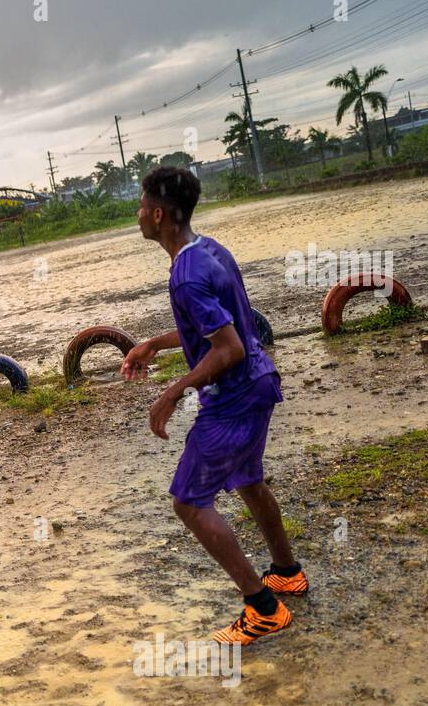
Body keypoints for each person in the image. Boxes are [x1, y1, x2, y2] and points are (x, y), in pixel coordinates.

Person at [120, 166, 305, 646]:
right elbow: (224, 329)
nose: (138, 214)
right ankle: (287, 571)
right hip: (261, 383)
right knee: (248, 480)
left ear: (158, 214)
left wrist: (173, 390)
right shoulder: (210, 250)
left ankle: (262, 608)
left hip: (234, 396)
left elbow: (228, 349)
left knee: (189, 501)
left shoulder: (184, 276)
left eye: (141, 206)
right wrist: (154, 345)